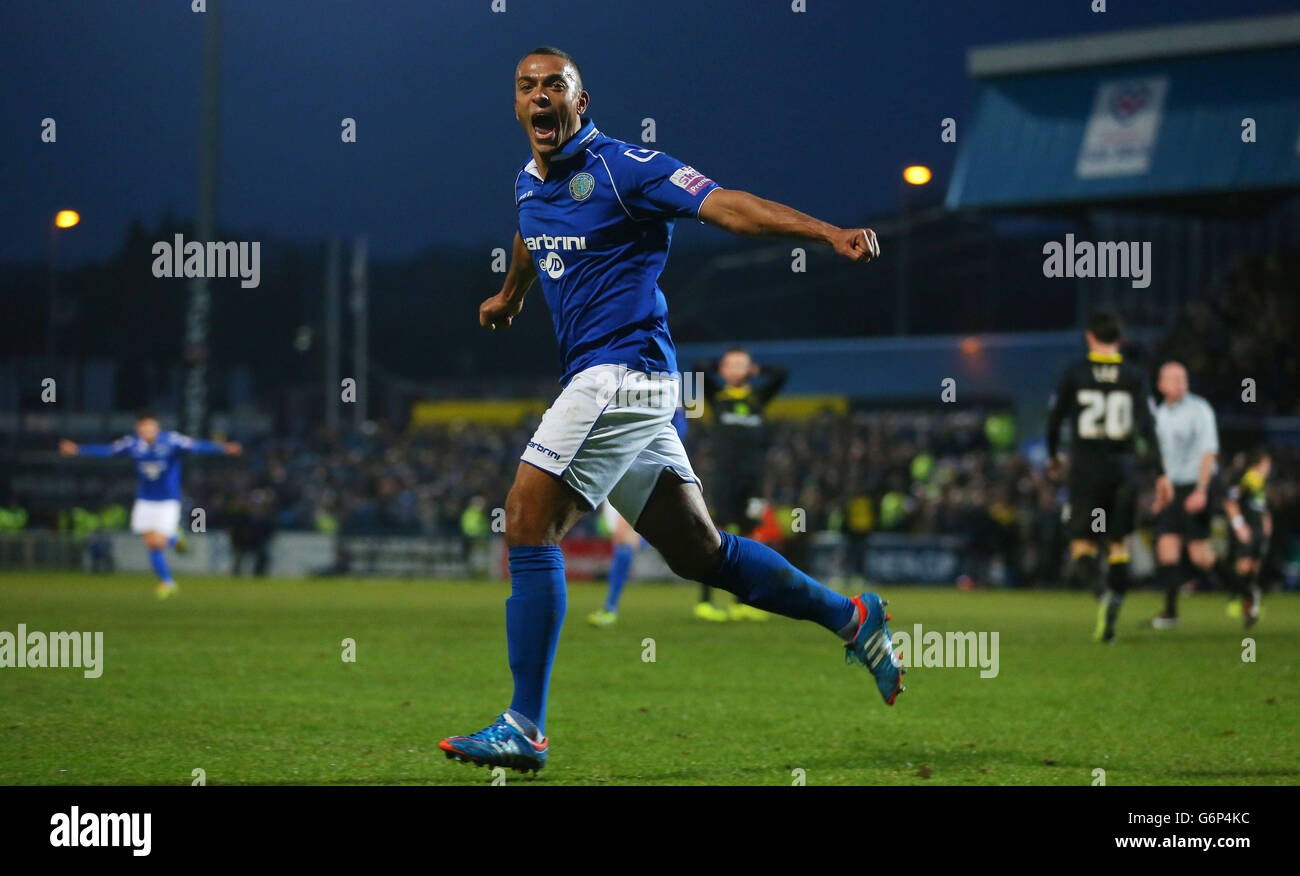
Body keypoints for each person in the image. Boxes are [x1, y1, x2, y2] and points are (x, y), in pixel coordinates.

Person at [439, 47, 899, 775]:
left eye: (554, 86)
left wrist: (826, 233)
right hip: (635, 391)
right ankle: (851, 617)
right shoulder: (529, 181)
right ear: (516, 104)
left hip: (621, 373)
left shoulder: (629, 169)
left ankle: (525, 726)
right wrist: (511, 295)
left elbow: (731, 208)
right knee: (702, 554)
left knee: (527, 520)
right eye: (527, 87)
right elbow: (533, 232)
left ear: (580, 103)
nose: (539, 97)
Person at [1046, 312, 1170, 642]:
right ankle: (1111, 617)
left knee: (1081, 544)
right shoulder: (1134, 375)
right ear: (1120, 340)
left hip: (1087, 469)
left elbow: (1055, 420)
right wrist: (1161, 472)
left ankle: (1103, 595)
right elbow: (1148, 426)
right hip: (1123, 469)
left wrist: (1053, 456)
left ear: (1089, 337)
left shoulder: (1075, 373)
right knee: (1119, 544)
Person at [59, 411, 241, 597]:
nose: (148, 431)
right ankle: (170, 569)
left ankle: (172, 561)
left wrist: (223, 448)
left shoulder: (171, 441)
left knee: (156, 542)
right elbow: (108, 451)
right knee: (150, 543)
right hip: (145, 500)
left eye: (151, 427)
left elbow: (196, 446)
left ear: (157, 428)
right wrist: (78, 449)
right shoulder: (133, 444)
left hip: (168, 501)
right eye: (144, 427)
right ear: (138, 429)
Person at [693, 349, 787, 622]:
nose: (736, 370)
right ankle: (706, 602)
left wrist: (756, 370)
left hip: (754, 480)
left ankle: (742, 601)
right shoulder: (717, 397)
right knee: (715, 537)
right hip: (724, 479)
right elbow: (698, 366)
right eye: (730, 365)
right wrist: (720, 366)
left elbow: (782, 374)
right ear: (723, 370)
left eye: (741, 365)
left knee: (749, 538)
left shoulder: (758, 398)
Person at [587, 408, 688, 629]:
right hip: (614, 476)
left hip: (642, 476)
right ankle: (610, 606)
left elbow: (676, 433)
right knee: (623, 544)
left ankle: (610, 608)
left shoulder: (658, 399)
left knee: (625, 541)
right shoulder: (616, 399)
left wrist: (678, 412)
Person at [1151, 361, 1221, 629]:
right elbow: (1163, 461)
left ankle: (1245, 591)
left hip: (1196, 485)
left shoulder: (1200, 409)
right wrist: (1162, 492)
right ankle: (1170, 613)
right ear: (1161, 384)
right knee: (1166, 550)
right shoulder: (1160, 414)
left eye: (1184, 377)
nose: (1181, 382)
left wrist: (1202, 490)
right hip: (1173, 488)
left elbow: (1209, 452)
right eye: (1175, 378)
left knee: (1199, 556)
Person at [1222, 449, 1272, 628]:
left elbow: (1261, 506)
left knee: (1254, 568)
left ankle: (1250, 604)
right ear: (1259, 463)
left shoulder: (1260, 482)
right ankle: (1236, 600)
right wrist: (1239, 525)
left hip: (1259, 531)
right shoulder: (1247, 479)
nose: (1269, 468)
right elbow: (1230, 501)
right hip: (1248, 530)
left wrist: (1267, 522)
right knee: (1243, 566)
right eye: (1267, 464)